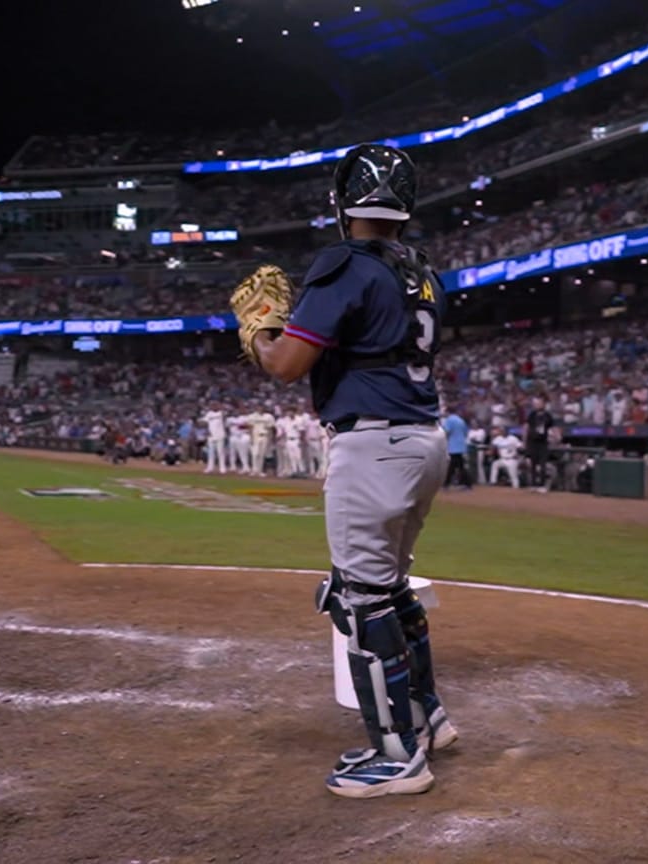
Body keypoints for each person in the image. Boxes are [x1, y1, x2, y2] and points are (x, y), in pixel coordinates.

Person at [245, 143, 455, 798]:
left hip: (375, 445)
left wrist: (256, 329)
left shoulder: (345, 263)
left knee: (359, 600)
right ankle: (428, 718)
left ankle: (397, 756)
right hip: (423, 438)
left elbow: (285, 365)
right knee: (388, 588)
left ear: (342, 203)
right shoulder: (420, 270)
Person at [524, 397, 556, 486]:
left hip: (543, 442)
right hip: (533, 442)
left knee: (543, 465)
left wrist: (555, 438)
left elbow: (552, 428)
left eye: (539, 403)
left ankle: (542, 485)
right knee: (533, 465)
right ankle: (533, 484)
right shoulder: (532, 415)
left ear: (543, 404)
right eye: (536, 404)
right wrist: (525, 441)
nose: (537, 405)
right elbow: (526, 427)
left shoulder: (547, 415)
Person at [443, 407, 473, 489]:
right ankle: (467, 483)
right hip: (461, 445)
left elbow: (447, 432)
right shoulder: (461, 420)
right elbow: (466, 433)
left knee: (453, 466)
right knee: (460, 466)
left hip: (453, 446)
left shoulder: (449, 420)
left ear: (448, 412)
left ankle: (446, 483)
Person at [203, 403, 228, 474]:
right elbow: (204, 422)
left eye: (215, 405)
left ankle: (222, 468)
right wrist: (207, 430)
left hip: (220, 434)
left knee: (220, 452)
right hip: (211, 435)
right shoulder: (209, 414)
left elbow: (225, 417)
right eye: (212, 406)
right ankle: (210, 467)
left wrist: (221, 408)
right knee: (211, 452)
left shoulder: (221, 413)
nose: (214, 407)